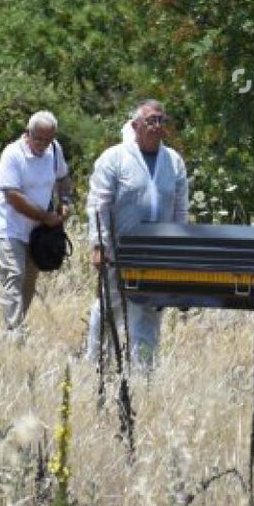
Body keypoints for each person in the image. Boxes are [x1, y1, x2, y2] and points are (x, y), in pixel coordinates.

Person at [85, 99, 190, 370]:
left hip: (158, 253)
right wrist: (99, 245)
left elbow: (180, 208)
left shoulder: (174, 161)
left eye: (161, 120)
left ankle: (143, 374)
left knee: (149, 311)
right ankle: (96, 364)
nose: (157, 126)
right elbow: (98, 204)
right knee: (109, 307)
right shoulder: (114, 158)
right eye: (151, 120)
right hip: (118, 250)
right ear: (135, 126)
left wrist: (180, 249)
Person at [0, 111, 72, 333]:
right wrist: (46, 217)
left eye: (48, 140)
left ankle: (16, 324)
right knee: (13, 275)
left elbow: (63, 178)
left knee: (28, 281)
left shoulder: (54, 150)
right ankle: (14, 332)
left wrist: (65, 202)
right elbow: (12, 196)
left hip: (38, 233)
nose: (43, 144)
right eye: (39, 139)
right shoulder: (12, 154)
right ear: (28, 133)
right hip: (10, 227)